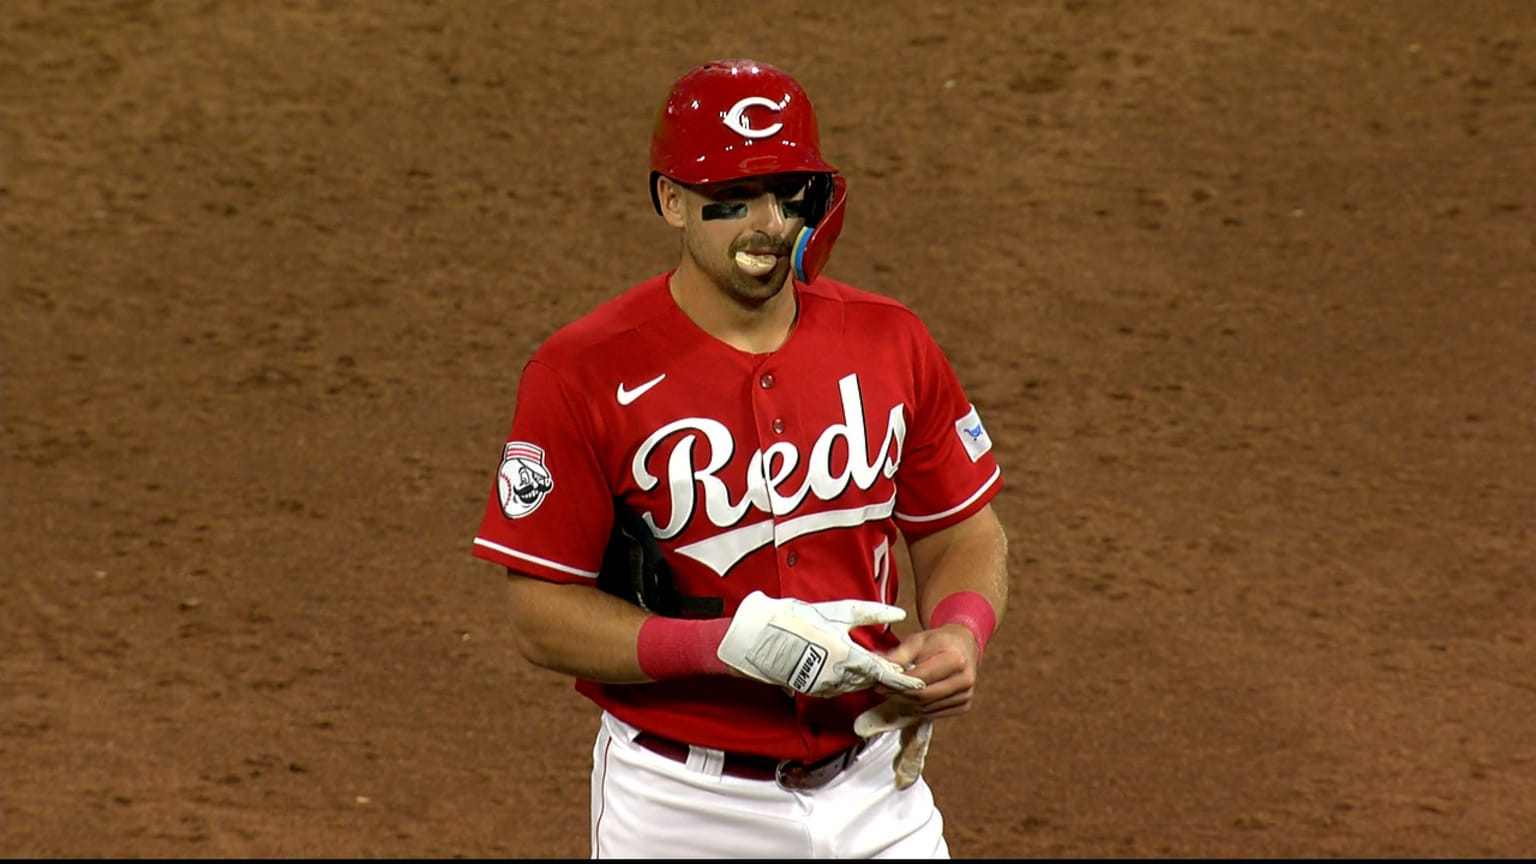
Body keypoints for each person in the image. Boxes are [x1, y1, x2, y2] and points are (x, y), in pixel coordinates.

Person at [471, 57, 1009, 859]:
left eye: (789, 195)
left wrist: (961, 632)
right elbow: (540, 616)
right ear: (672, 201)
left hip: (876, 786)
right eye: (735, 199)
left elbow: (962, 529)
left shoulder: (891, 339)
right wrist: (716, 645)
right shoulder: (581, 372)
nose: (770, 225)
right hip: (685, 808)